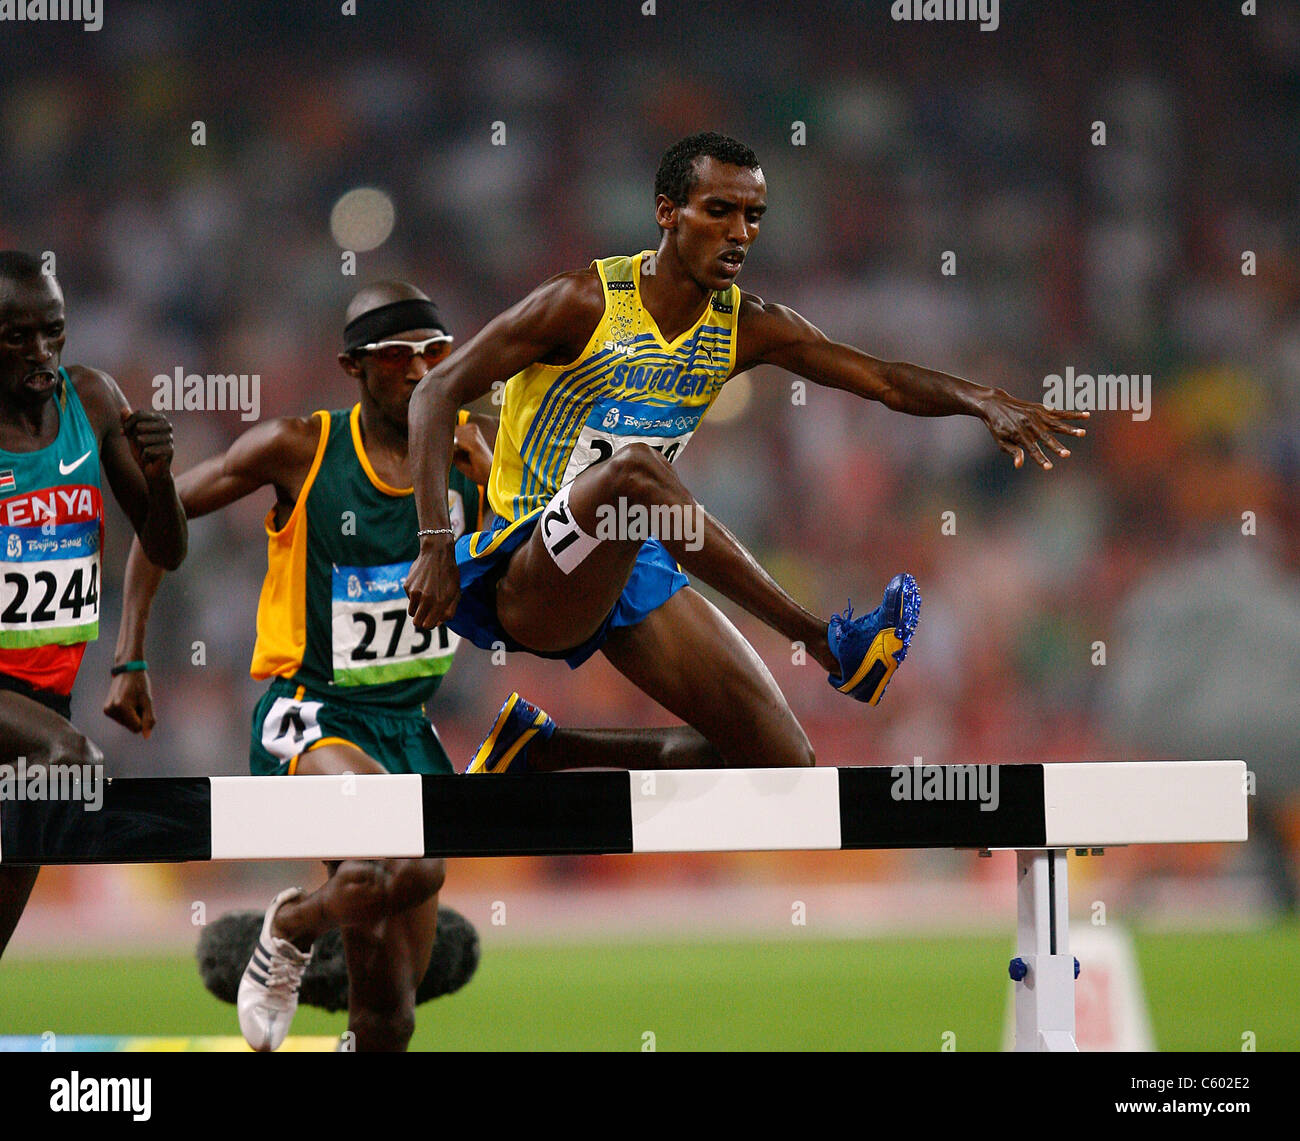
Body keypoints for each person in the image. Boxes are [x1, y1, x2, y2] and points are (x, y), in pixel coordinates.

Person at [404, 132, 1087, 773]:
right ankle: (824, 641)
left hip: (627, 563)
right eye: (719, 211)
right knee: (636, 472)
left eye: (753, 216)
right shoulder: (581, 303)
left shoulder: (746, 325)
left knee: (783, 759)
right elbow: (435, 391)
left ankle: (544, 751)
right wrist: (435, 543)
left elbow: (882, 380)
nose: (740, 233)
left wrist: (981, 399)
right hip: (532, 567)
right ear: (667, 213)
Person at [105, 282, 491, 1052]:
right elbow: (159, 518)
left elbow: (527, 576)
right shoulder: (301, 448)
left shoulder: (470, 455)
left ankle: (318, 943)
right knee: (399, 851)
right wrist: (130, 655)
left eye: (434, 353)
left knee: (392, 1005)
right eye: (396, 355)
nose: (420, 370)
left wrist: (496, 483)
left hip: (407, 728)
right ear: (354, 365)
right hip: (313, 714)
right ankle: (288, 926)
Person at [0, 250, 187, 960]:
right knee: (71, 760)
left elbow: (166, 548)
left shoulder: (94, 400)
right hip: (20, 713)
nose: (40, 352)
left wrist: (161, 478)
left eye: (53, 330)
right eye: (17, 336)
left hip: (47, 697)